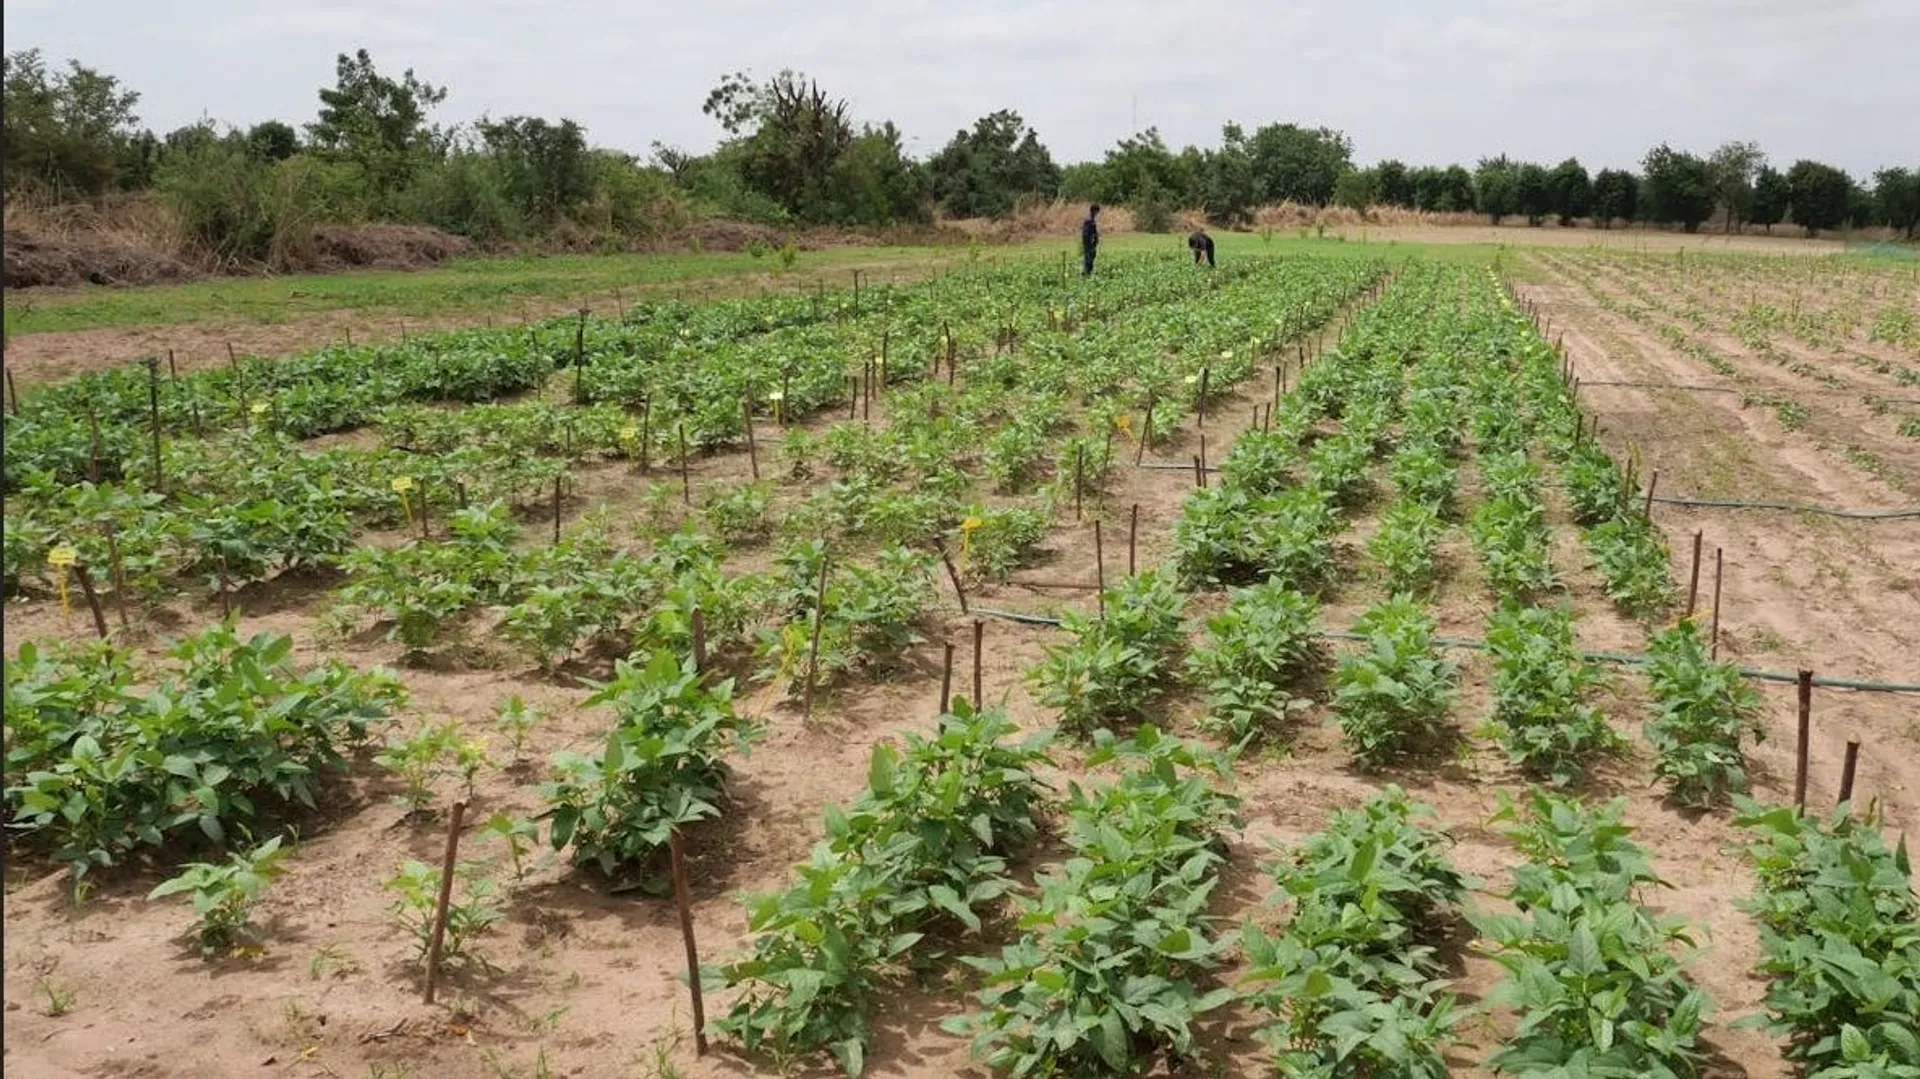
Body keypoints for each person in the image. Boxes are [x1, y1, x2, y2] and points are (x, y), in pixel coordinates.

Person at [1080, 203, 1100, 276]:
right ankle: (1086, 273)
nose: (1097, 213)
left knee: (1091, 257)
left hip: (1091, 242)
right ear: (1094, 210)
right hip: (1088, 243)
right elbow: (1085, 234)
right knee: (1088, 258)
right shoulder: (1088, 220)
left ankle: (1088, 272)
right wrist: (1090, 242)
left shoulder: (1092, 219)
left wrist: (1096, 238)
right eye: (1097, 211)